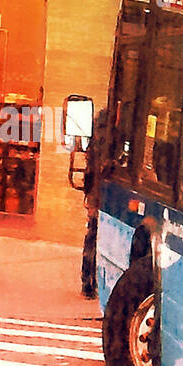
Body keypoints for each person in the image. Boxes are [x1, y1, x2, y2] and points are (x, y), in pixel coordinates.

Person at [81, 109, 106, 299]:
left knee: (92, 238)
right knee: (94, 239)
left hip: (97, 197)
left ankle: (88, 282)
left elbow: (89, 174)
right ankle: (89, 282)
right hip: (101, 198)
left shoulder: (95, 144)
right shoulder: (105, 144)